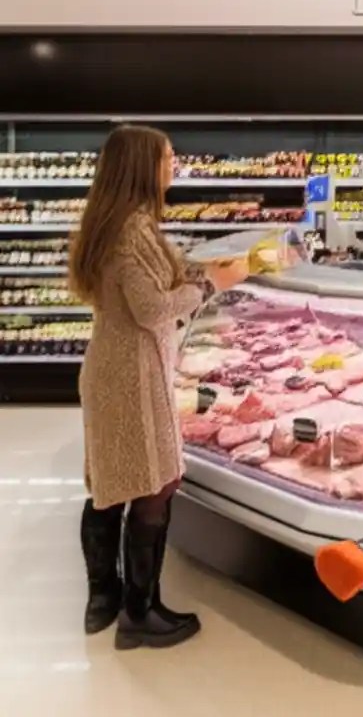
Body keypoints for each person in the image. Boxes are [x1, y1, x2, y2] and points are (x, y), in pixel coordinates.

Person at [70, 125, 243, 649]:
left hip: (115, 369)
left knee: (108, 485)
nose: (175, 164)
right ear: (144, 166)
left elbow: (157, 275)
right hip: (132, 376)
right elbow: (153, 308)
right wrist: (215, 284)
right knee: (155, 485)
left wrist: (198, 267)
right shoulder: (130, 231)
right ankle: (139, 616)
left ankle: (105, 600)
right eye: (169, 157)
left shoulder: (119, 222)